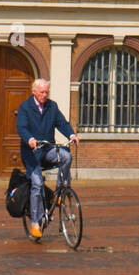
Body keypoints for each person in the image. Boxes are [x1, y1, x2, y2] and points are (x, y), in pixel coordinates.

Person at [15, 77, 80, 241]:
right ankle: (36, 224)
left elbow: (62, 123)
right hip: (31, 154)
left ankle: (60, 191)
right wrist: (29, 139)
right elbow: (21, 127)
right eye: (42, 92)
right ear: (34, 92)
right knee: (37, 184)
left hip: (47, 149)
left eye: (46, 92)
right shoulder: (25, 107)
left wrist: (71, 134)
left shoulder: (52, 106)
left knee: (65, 156)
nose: (45, 95)